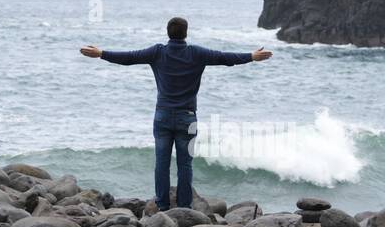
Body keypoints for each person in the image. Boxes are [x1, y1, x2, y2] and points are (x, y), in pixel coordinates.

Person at [80, 16, 272, 211]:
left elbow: (129, 58)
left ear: (168, 33)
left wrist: (101, 53)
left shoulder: (157, 52)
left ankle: (162, 205)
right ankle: (183, 207)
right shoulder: (196, 53)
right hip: (187, 117)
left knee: (161, 164)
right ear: (186, 33)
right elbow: (224, 58)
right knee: (185, 165)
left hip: (162, 116)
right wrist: (251, 56)